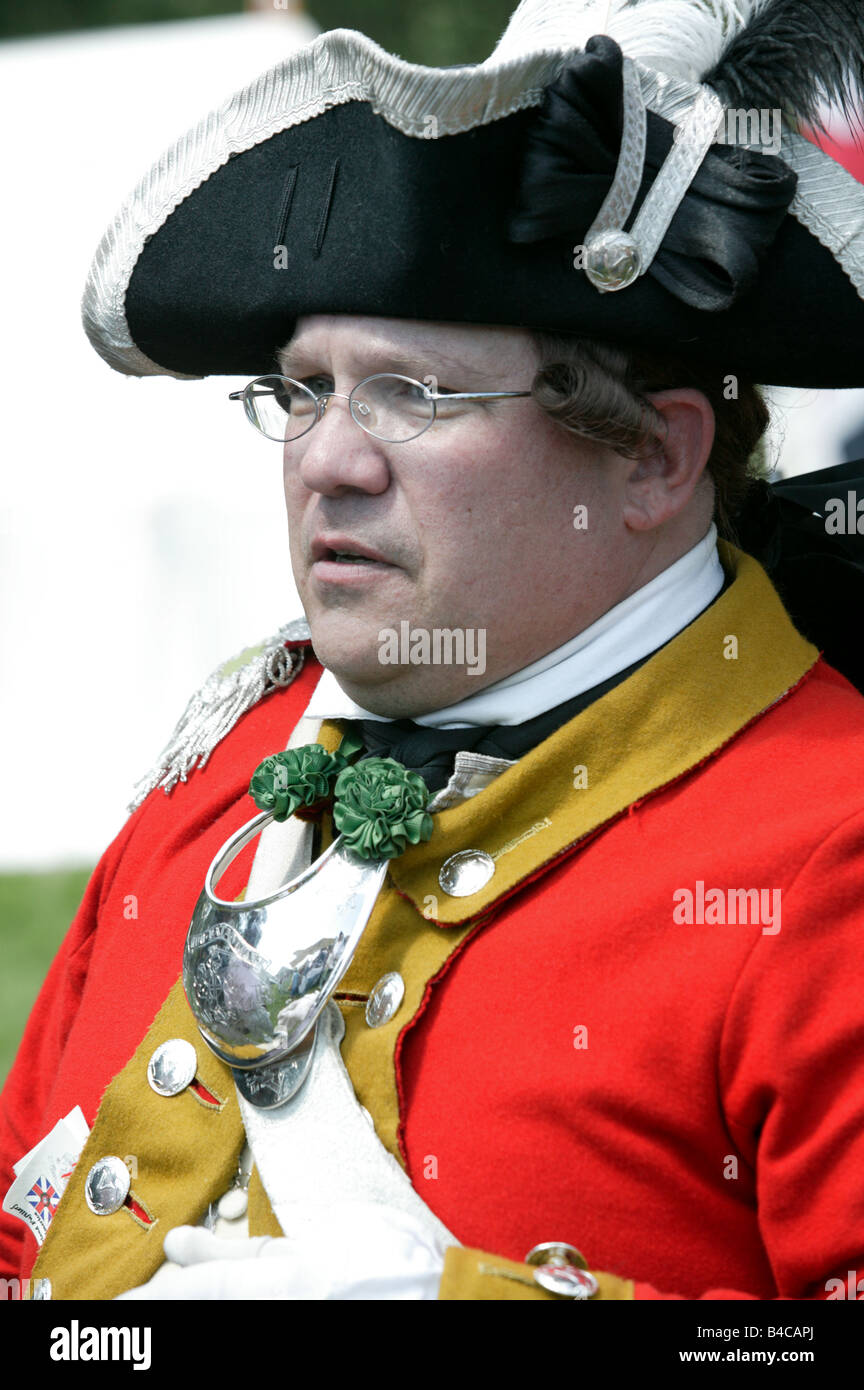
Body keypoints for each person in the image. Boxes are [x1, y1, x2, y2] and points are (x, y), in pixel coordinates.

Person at [4, 0, 864, 1302]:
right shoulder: (223, 760)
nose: (329, 462)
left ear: (652, 454)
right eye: (304, 389)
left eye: (415, 394)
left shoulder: (829, 844)